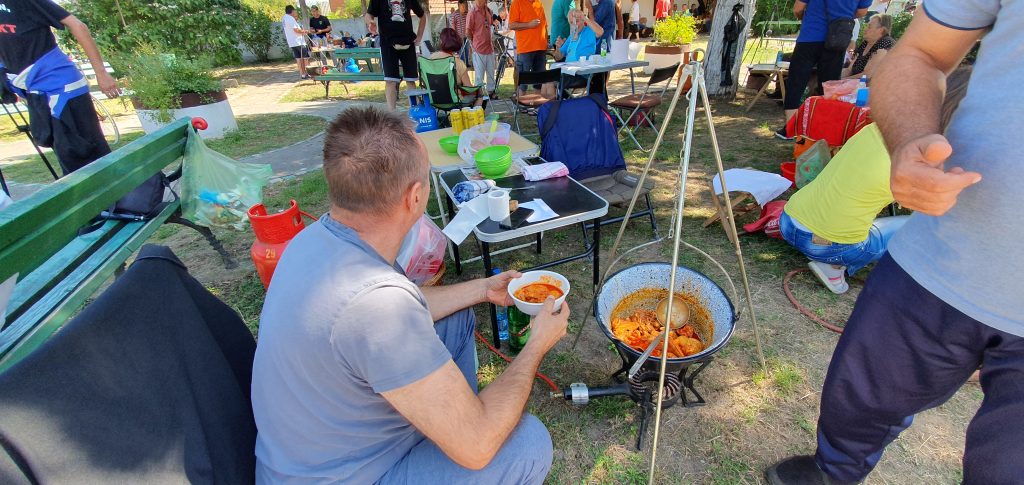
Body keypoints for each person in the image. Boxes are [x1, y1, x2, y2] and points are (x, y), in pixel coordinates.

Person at [764, 0, 1019, 482]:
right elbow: (920, 52)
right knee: (899, 225)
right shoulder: (925, 145)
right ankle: (832, 467)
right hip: (890, 255)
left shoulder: (868, 131)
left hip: (795, 219)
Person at [252, 106, 567, 484]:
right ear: (415, 197)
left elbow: (403, 309)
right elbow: (479, 448)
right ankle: (464, 424)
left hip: (318, 449)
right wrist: (536, 345)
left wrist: (482, 289)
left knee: (457, 315)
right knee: (528, 443)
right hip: (352, 475)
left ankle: (452, 418)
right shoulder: (375, 306)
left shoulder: (314, 240)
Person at [780, 67, 970, 295]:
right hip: (826, 246)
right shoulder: (924, 158)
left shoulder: (881, 127)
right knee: (918, 224)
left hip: (789, 221)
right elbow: (925, 207)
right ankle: (833, 266)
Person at [0, 0, 120, 175]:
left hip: (63, 87)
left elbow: (78, 26)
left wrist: (101, 73)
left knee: (84, 155)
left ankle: (118, 199)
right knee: (65, 155)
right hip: (34, 91)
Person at [776, 0, 870, 140]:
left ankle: (791, 128)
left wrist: (809, 16)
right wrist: (840, 15)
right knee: (829, 87)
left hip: (810, 35)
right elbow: (862, 11)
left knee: (797, 81)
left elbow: (798, 8)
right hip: (837, 37)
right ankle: (820, 129)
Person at [365, 0, 427, 110]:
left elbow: (422, 16)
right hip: (388, 43)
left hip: (408, 43)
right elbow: (369, 14)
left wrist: (419, 37)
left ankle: (414, 111)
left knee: (411, 80)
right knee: (390, 81)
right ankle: (392, 115)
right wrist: (370, 22)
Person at [430, 28, 485, 107]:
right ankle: (473, 117)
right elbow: (469, 88)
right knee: (479, 93)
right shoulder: (458, 63)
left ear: (441, 41)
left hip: (433, 100)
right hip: (455, 102)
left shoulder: (430, 59)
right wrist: (478, 89)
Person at [509, 0, 548, 94]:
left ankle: (538, 107)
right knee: (523, 84)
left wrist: (545, 43)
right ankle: (520, 107)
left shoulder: (538, 3)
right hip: (525, 49)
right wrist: (529, 25)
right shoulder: (517, 2)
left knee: (539, 83)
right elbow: (511, 25)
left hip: (541, 48)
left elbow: (545, 25)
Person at [467, 0, 497, 97]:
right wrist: (473, 44)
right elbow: (467, 31)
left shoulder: (489, 11)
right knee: (479, 75)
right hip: (478, 48)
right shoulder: (472, 12)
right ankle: (478, 95)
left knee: (491, 72)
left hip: (489, 47)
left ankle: (491, 92)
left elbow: (491, 25)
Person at [282, 6, 311, 80]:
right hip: (298, 41)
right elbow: (296, 30)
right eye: (294, 11)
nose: (295, 13)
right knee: (305, 58)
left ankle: (302, 74)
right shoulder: (290, 18)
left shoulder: (284, 18)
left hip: (292, 42)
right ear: (292, 11)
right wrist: (304, 31)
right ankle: (308, 73)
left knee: (298, 59)